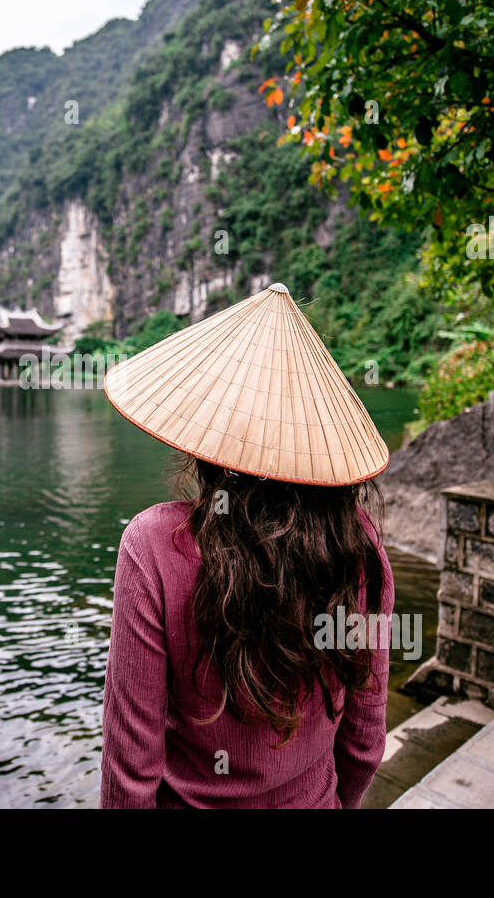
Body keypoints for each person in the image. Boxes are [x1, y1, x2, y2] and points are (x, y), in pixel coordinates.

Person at [99, 283, 394, 808]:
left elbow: (131, 763)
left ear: (208, 432)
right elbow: (364, 739)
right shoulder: (358, 541)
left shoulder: (152, 547)